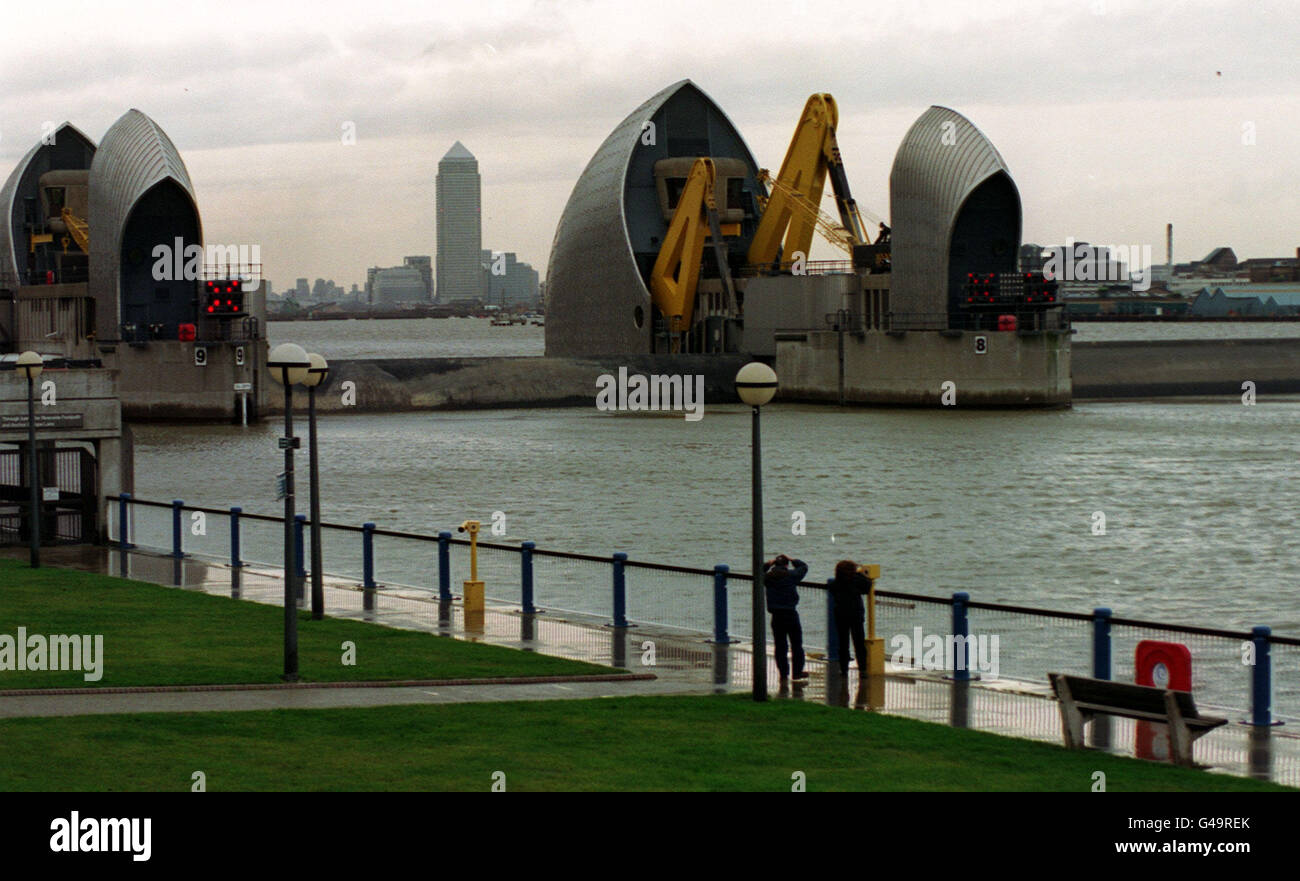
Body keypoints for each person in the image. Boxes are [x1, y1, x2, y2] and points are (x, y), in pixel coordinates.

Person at [763, 553, 809, 682]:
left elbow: (758, 571)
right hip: (790, 613)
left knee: (780, 645)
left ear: (775, 565)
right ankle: (797, 672)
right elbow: (804, 567)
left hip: (776, 615)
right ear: (786, 565)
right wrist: (793, 559)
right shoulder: (791, 575)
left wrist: (768, 563)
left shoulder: (768, 578)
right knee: (796, 644)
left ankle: (783, 673)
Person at [829, 560, 871, 677]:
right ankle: (862, 670)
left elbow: (832, 589)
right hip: (855, 615)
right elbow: (867, 587)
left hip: (841, 615)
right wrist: (860, 574)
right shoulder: (856, 580)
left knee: (843, 644)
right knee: (859, 643)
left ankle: (844, 670)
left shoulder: (835, 583)